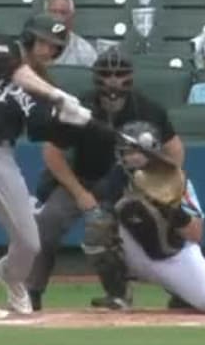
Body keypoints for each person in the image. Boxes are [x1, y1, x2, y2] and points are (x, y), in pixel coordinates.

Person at [0, 14, 92, 320]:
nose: (48, 50)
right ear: (29, 37)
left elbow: (41, 130)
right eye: (44, 42)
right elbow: (17, 72)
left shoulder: (45, 87)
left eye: (55, 46)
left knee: (29, 241)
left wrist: (71, 120)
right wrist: (58, 96)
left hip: (0, 154)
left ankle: (10, 274)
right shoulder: (2, 45)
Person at [27, 47, 184, 311]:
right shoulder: (79, 108)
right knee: (47, 223)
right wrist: (80, 194)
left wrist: (157, 183)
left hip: (128, 183)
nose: (113, 81)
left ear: (130, 77)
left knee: (156, 227)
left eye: (119, 74)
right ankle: (31, 291)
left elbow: (175, 150)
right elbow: (51, 153)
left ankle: (174, 289)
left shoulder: (147, 108)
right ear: (97, 77)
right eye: (107, 74)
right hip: (82, 178)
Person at [79, 121, 205, 314]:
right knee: (98, 224)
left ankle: (188, 289)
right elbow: (103, 214)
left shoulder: (174, 179)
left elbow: (196, 233)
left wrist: (168, 208)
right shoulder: (117, 177)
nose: (128, 157)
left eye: (134, 152)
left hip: (172, 256)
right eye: (126, 152)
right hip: (134, 251)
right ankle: (118, 294)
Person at [45, 0, 99, 67]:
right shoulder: (32, 47)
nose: (57, 18)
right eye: (53, 12)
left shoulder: (85, 51)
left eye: (63, 13)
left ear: (72, 17)